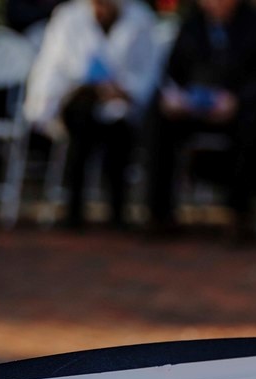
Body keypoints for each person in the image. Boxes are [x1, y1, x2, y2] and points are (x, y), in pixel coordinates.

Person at [145, 0, 256, 238]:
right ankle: (159, 213)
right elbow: (172, 70)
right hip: (193, 107)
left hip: (238, 108)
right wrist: (176, 98)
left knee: (253, 125)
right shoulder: (192, 24)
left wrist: (236, 101)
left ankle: (239, 214)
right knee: (157, 117)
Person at [27, 0, 163, 227]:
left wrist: (124, 91)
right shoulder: (68, 17)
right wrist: (90, 86)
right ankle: (73, 211)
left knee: (119, 137)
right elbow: (54, 66)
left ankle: (118, 212)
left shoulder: (140, 18)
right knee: (79, 134)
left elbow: (148, 69)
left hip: (124, 102)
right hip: (77, 99)